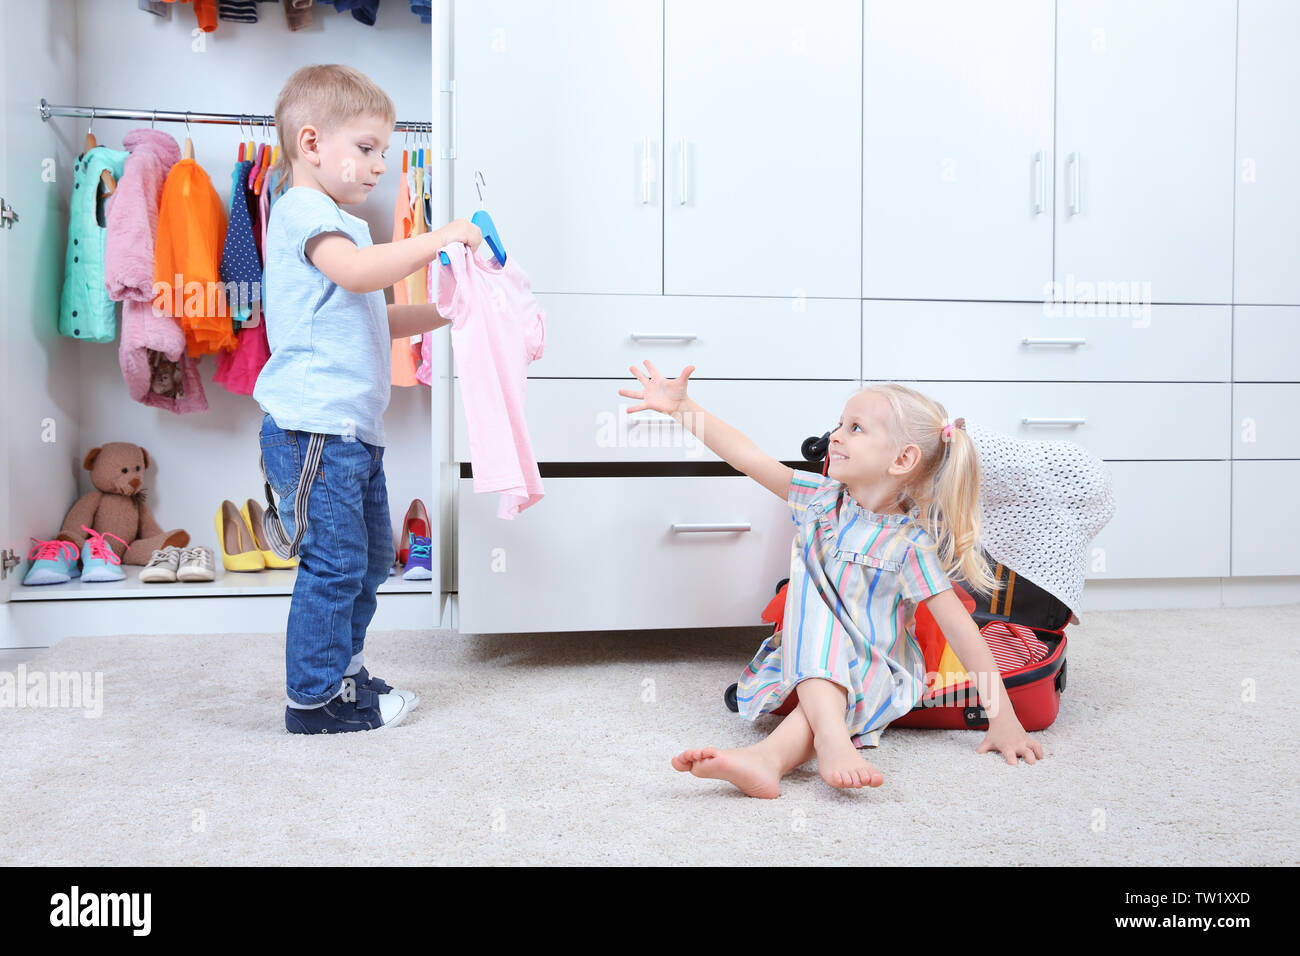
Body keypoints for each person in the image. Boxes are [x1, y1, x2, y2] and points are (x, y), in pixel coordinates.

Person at [618, 361, 1044, 797]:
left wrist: (1003, 719)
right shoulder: (819, 500)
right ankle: (768, 760)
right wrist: (683, 408)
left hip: (877, 671)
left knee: (826, 651)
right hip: (808, 655)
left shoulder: (909, 544)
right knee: (817, 615)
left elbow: (962, 632)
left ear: (902, 459)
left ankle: (820, 741)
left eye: (855, 428)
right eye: (839, 424)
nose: (836, 435)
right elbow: (747, 455)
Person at [253, 64, 481, 734]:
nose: (381, 164)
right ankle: (316, 699)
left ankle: (343, 673)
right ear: (311, 143)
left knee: (371, 559)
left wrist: (446, 312)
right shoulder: (304, 212)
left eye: (384, 149)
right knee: (336, 564)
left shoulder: (341, 223)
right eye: (367, 147)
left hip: (349, 433)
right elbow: (356, 274)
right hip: (314, 429)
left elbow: (375, 312)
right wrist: (437, 238)